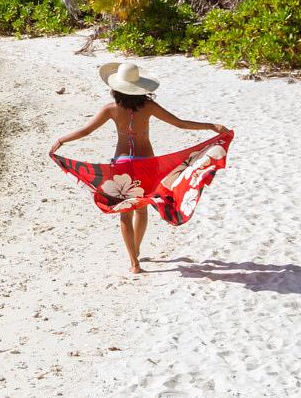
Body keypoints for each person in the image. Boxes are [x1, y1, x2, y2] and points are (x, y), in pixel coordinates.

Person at [49, 62, 229, 274]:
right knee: (141, 209)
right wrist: (209, 126)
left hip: (122, 164)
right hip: (146, 164)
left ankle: (134, 262)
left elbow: (86, 131)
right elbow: (180, 124)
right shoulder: (149, 107)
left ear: (116, 88)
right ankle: (137, 250)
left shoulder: (111, 109)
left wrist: (61, 141)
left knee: (125, 213)